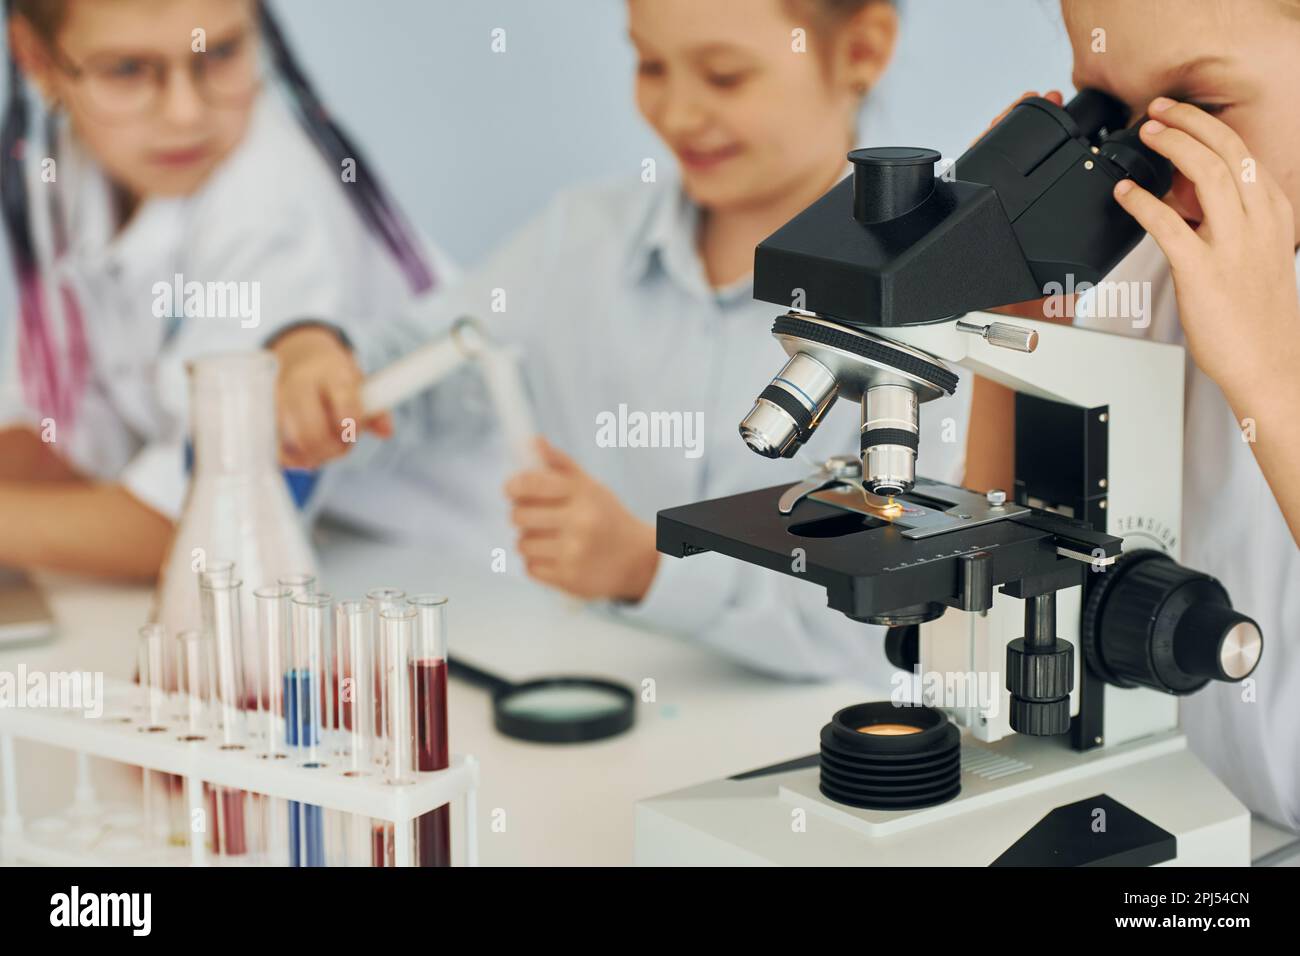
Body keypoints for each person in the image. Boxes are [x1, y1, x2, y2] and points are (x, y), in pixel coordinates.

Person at [273, 0, 972, 680]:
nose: (678, 114)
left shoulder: (927, 313)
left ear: (861, 51)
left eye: (725, 75)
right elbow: (425, 372)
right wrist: (319, 355)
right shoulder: (580, 239)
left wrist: (646, 568)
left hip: (807, 751)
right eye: (650, 65)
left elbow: (883, 615)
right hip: (594, 702)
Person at [965, 0, 1300, 831]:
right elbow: (989, 570)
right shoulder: (1138, 266)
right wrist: (1015, 321)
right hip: (1196, 821)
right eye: (1107, 112)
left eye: (1204, 112)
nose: (1142, 162)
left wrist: (1268, 369)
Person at [0, 0, 443, 579]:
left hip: (446, 581)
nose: (186, 113)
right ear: (36, 57)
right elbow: (54, 440)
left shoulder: (273, 201)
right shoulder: (62, 177)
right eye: (128, 70)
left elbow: (212, 525)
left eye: (224, 52)